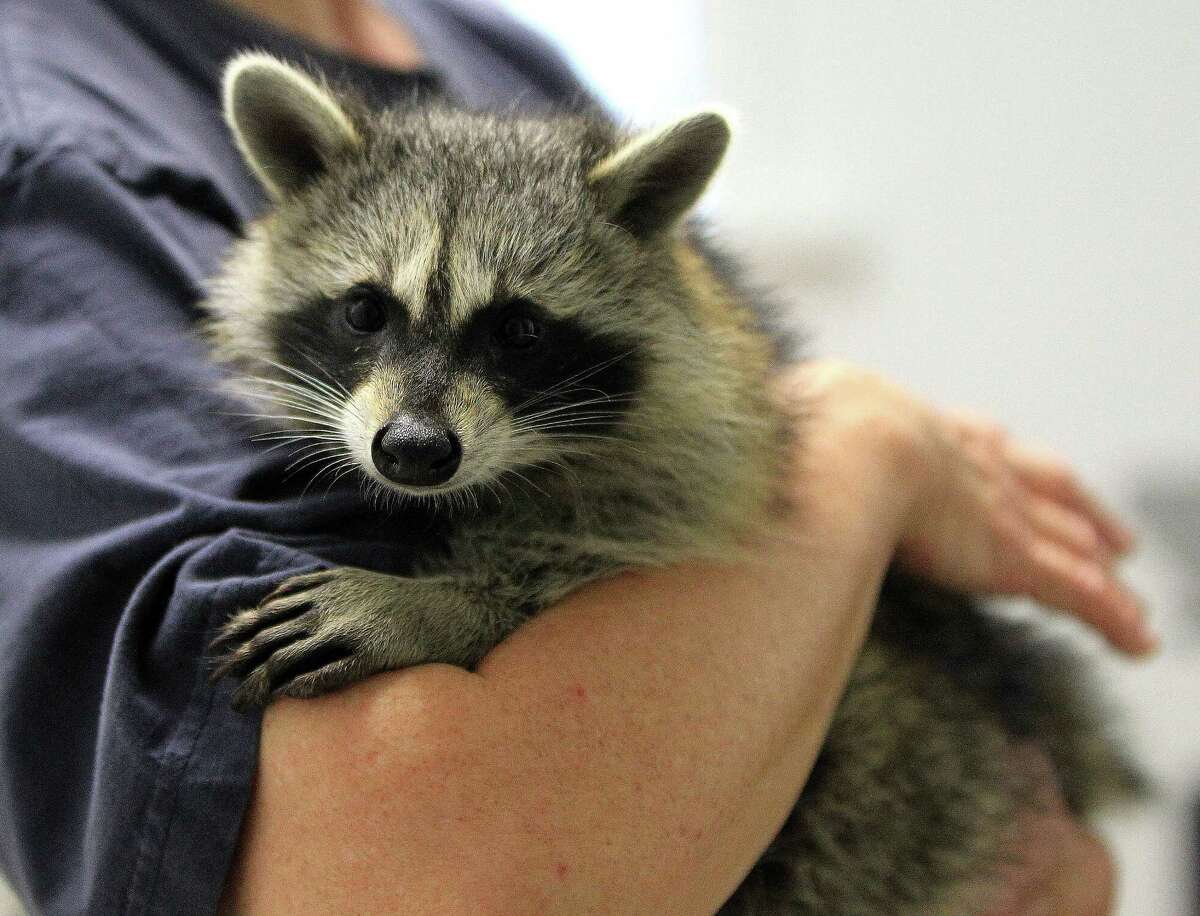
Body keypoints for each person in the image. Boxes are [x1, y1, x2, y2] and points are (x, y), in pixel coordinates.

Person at [0, 1, 1155, 913]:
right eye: (366, 321)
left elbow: (678, 508)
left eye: (513, 340)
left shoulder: (479, 45)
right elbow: (408, 891)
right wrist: (874, 445)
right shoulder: (53, 154)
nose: (414, 423)